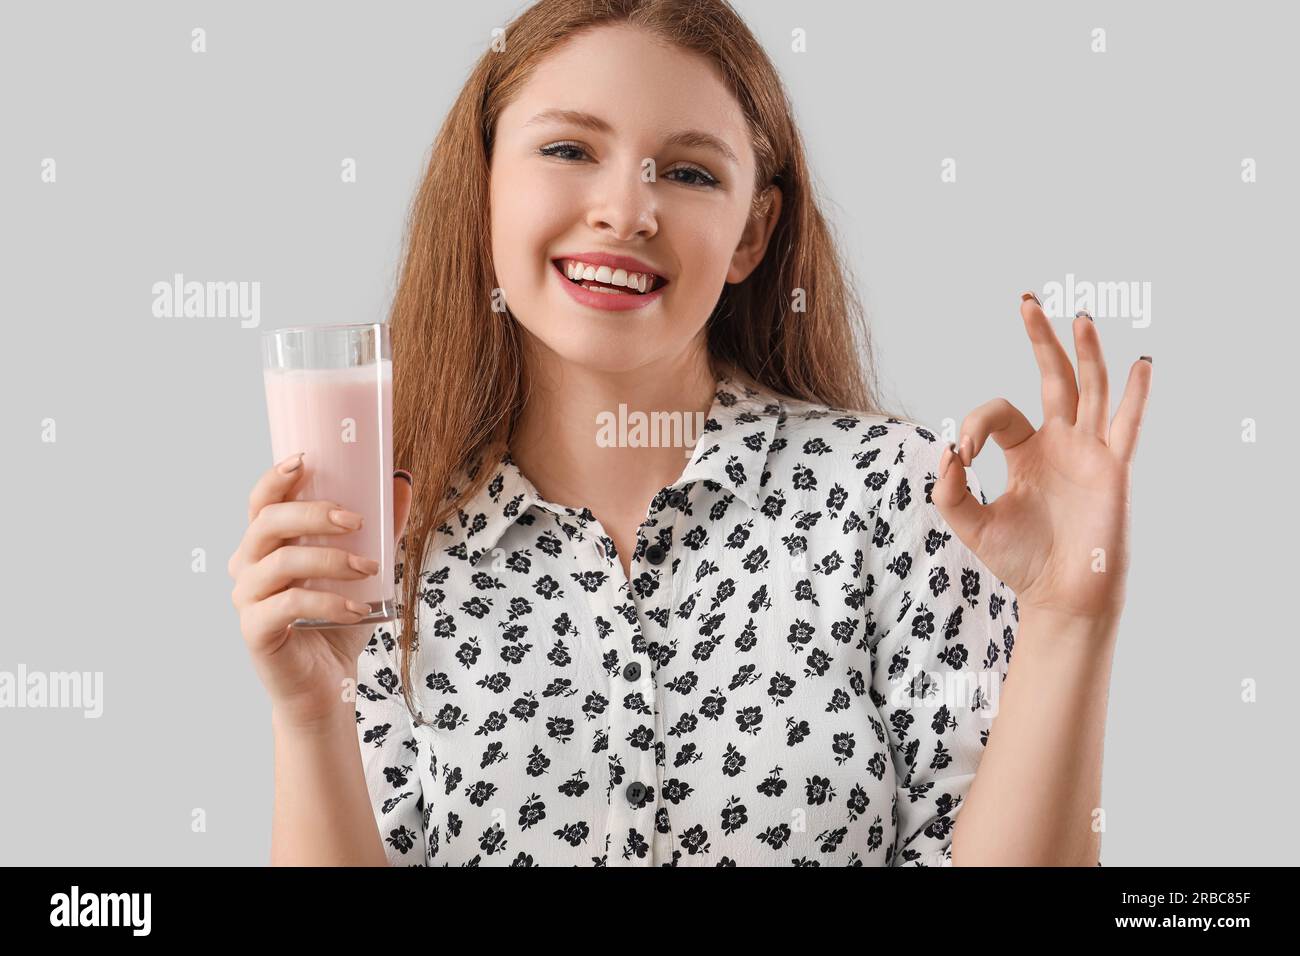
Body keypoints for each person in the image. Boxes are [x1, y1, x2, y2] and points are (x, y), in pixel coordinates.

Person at [227, 0, 1152, 866]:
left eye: (690, 172)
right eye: (567, 149)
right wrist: (313, 714)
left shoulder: (892, 498)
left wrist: (1068, 621)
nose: (627, 211)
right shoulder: (390, 551)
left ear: (753, 234)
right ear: (483, 189)